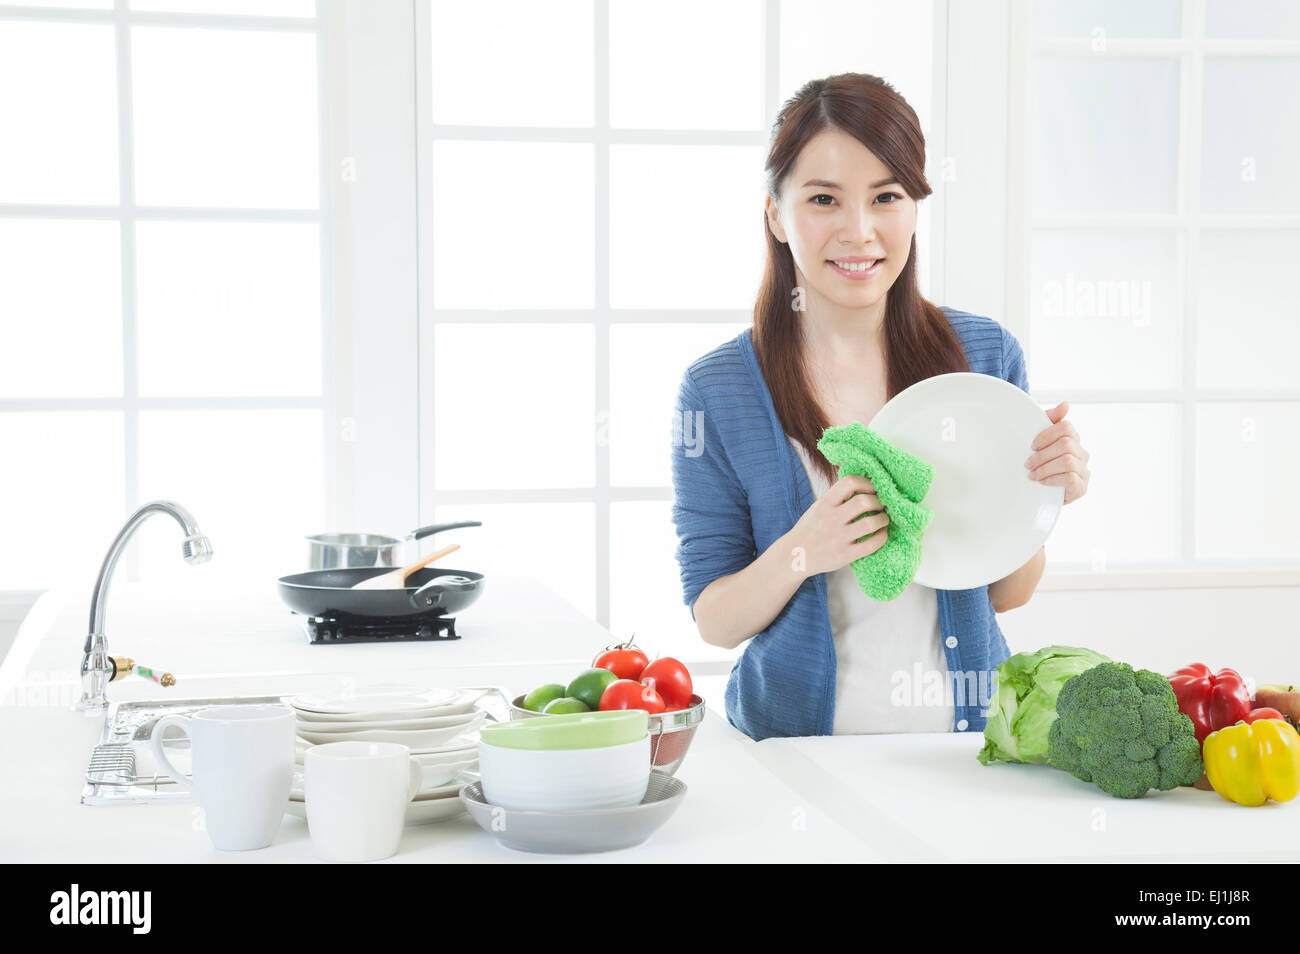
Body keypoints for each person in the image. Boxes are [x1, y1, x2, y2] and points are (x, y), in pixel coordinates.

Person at [670, 73, 1091, 741]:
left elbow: (1009, 593)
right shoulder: (720, 388)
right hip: (796, 753)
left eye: (886, 196)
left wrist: (1043, 498)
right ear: (776, 214)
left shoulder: (982, 354)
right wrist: (805, 549)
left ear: (915, 207)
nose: (859, 232)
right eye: (824, 199)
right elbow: (715, 621)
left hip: (966, 748)